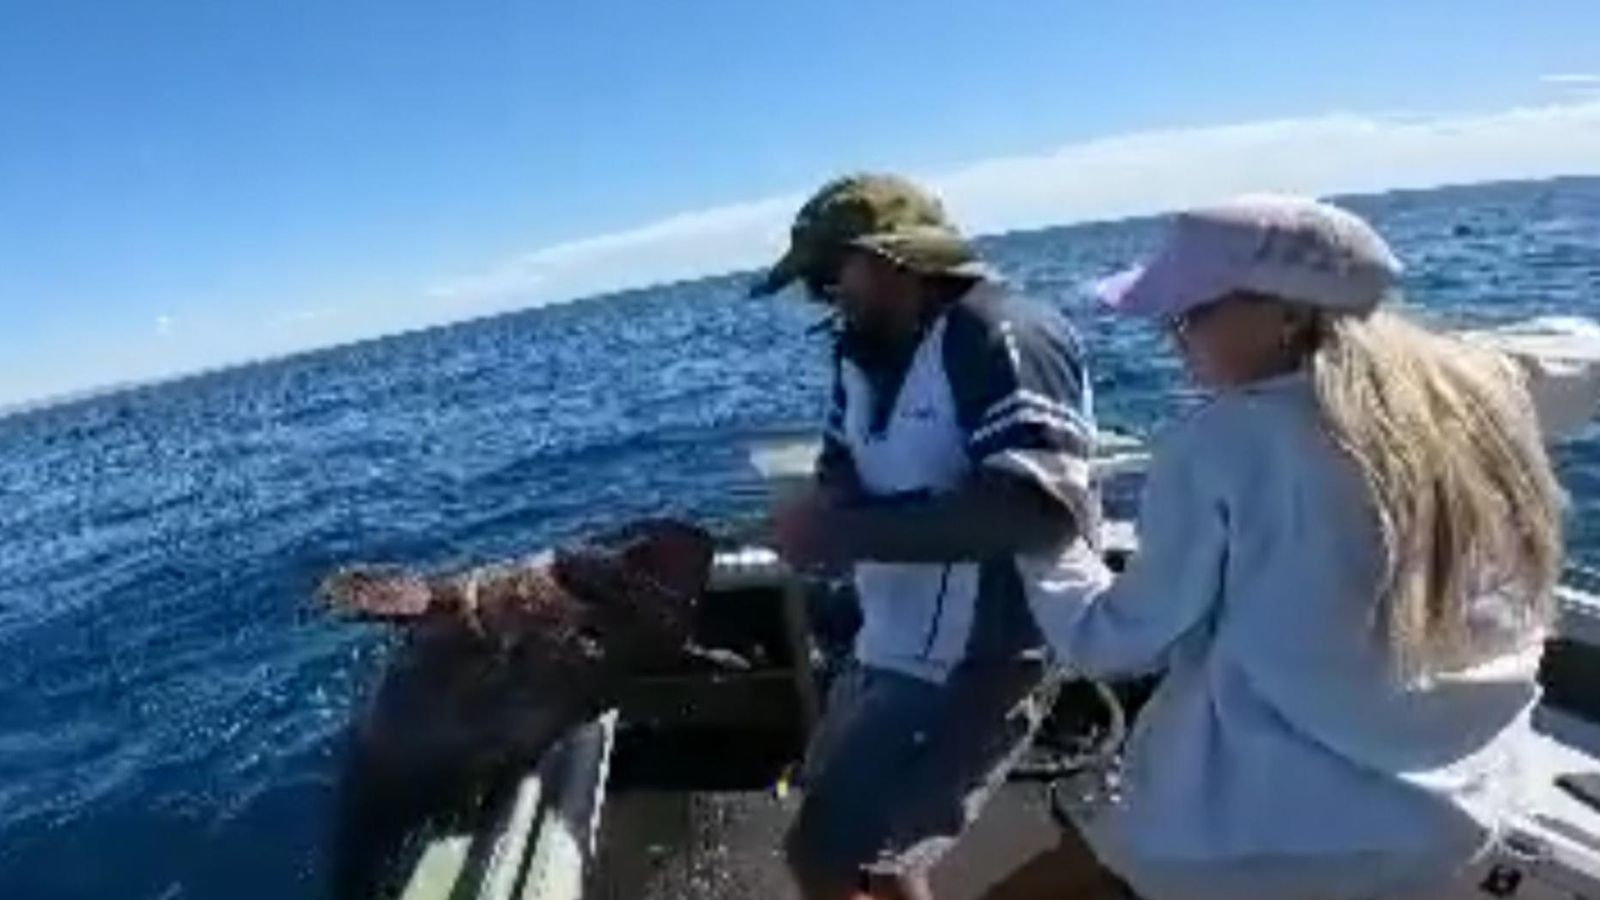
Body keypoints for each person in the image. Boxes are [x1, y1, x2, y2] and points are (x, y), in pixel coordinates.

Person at [982, 195, 1565, 900]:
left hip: (1264, 835)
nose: (1173, 335)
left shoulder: (1223, 442)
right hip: (1455, 818)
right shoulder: (1482, 389)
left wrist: (1048, 539)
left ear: (1286, 313)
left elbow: (1114, 641)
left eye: (1191, 312)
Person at [750, 173, 1105, 900]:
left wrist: (845, 532)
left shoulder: (1000, 334)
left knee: (851, 856)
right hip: (892, 639)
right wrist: (828, 508)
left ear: (893, 259)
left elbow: (1036, 511)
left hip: (983, 655)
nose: (822, 293)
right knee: (848, 851)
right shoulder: (859, 350)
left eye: (829, 272)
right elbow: (840, 458)